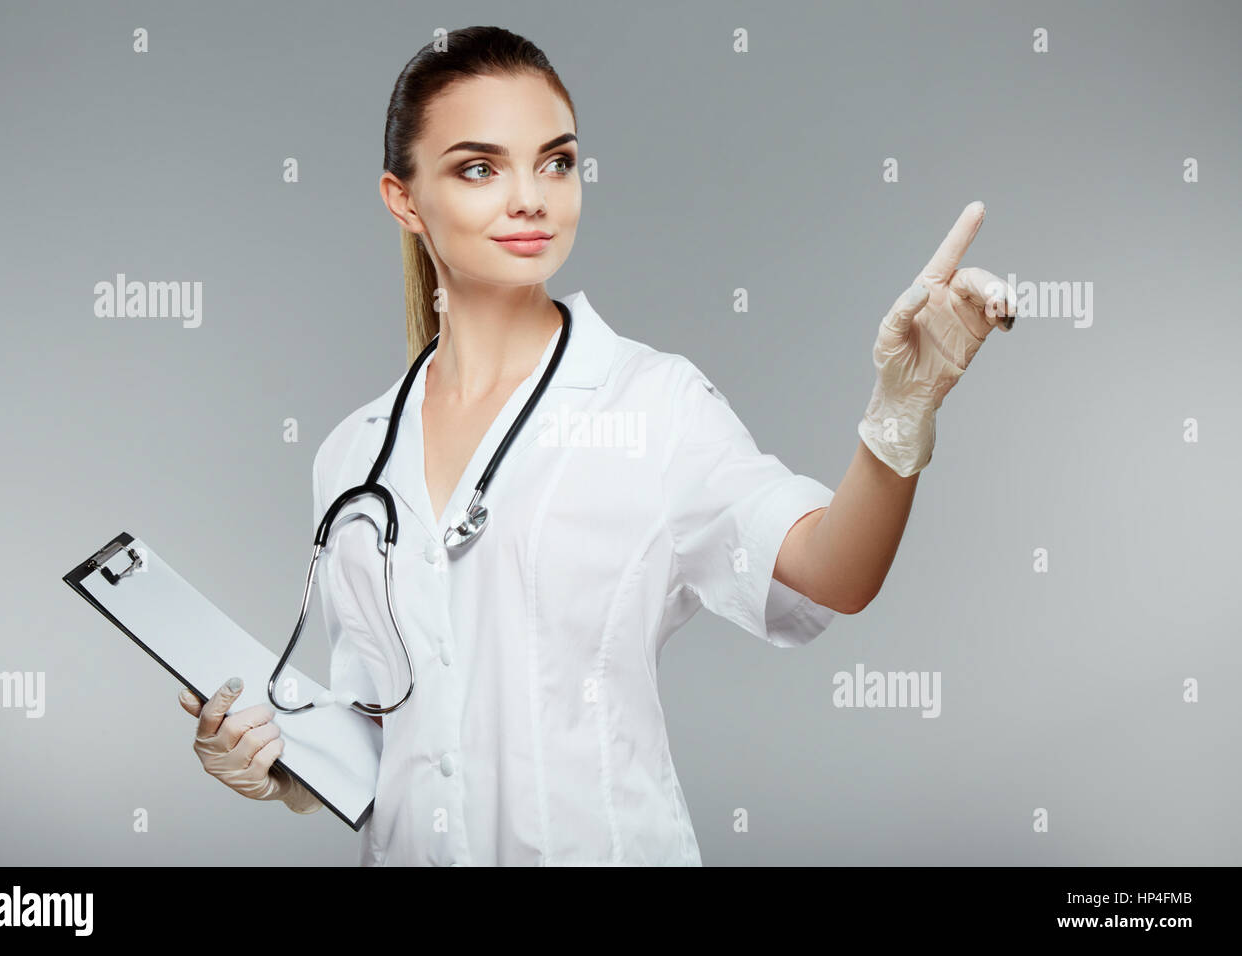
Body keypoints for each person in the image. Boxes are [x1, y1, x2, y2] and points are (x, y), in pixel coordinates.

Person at [177, 25, 1015, 865]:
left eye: (556, 161)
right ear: (403, 198)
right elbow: (386, 728)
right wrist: (282, 768)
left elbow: (836, 571)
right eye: (479, 168)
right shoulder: (353, 454)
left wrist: (899, 415)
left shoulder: (651, 403)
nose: (531, 197)